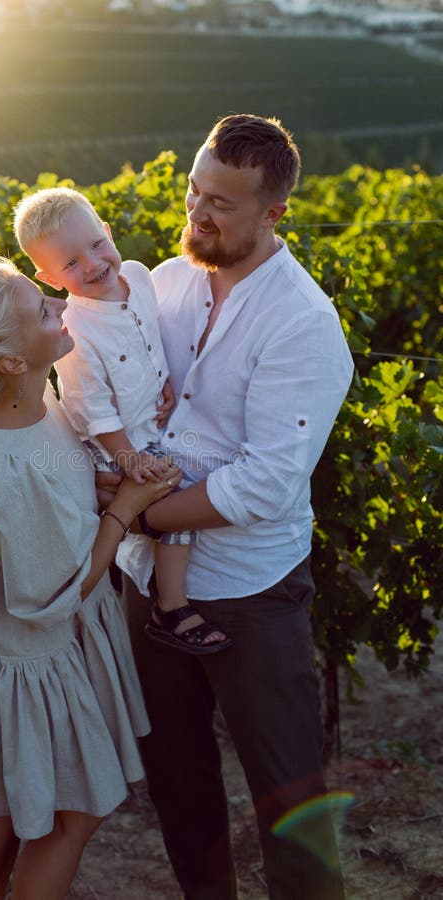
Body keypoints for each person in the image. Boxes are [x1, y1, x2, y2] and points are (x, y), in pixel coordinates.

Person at [103, 114, 354, 899]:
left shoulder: (304, 323)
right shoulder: (163, 284)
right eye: (193, 192)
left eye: (222, 204)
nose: (197, 214)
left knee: (290, 796)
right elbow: (119, 402)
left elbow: (264, 484)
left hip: (250, 590)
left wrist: (139, 516)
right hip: (148, 584)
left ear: (274, 212)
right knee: (177, 781)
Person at [0, 256, 181, 900]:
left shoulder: (33, 400)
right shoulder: (3, 464)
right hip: (31, 660)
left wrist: (97, 484)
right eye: (42, 310)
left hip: (5, 645)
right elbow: (59, 590)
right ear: (8, 362)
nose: (60, 304)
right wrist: (126, 510)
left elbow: (57, 479)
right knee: (74, 813)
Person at [13, 187, 232, 655]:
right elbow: (91, 409)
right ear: (48, 278)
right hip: (112, 440)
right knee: (175, 488)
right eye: (70, 264)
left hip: (146, 427)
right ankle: (170, 605)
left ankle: (157, 579)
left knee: (177, 479)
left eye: (95, 245)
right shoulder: (76, 327)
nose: (92, 265)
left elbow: (150, 341)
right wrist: (127, 458)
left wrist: (164, 384)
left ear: (108, 232)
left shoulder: (138, 276)